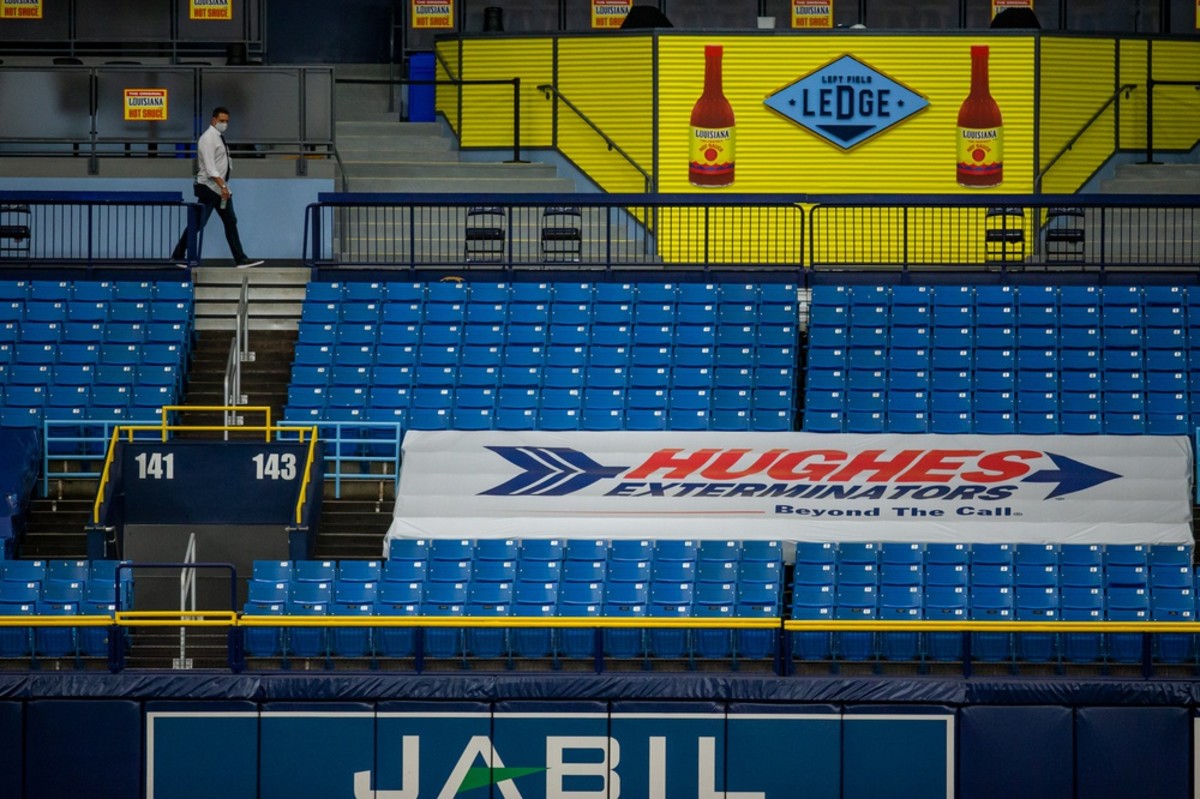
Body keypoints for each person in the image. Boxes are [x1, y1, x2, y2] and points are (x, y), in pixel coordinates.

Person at [172, 106, 262, 268]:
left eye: (226, 121)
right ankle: (178, 255)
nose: (224, 124)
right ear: (213, 120)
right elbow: (210, 167)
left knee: (230, 221)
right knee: (198, 223)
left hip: (220, 189)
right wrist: (223, 186)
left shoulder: (219, 138)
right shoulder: (207, 139)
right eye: (221, 121)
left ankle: (240, 258)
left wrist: (224, 187)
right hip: (210, 188)